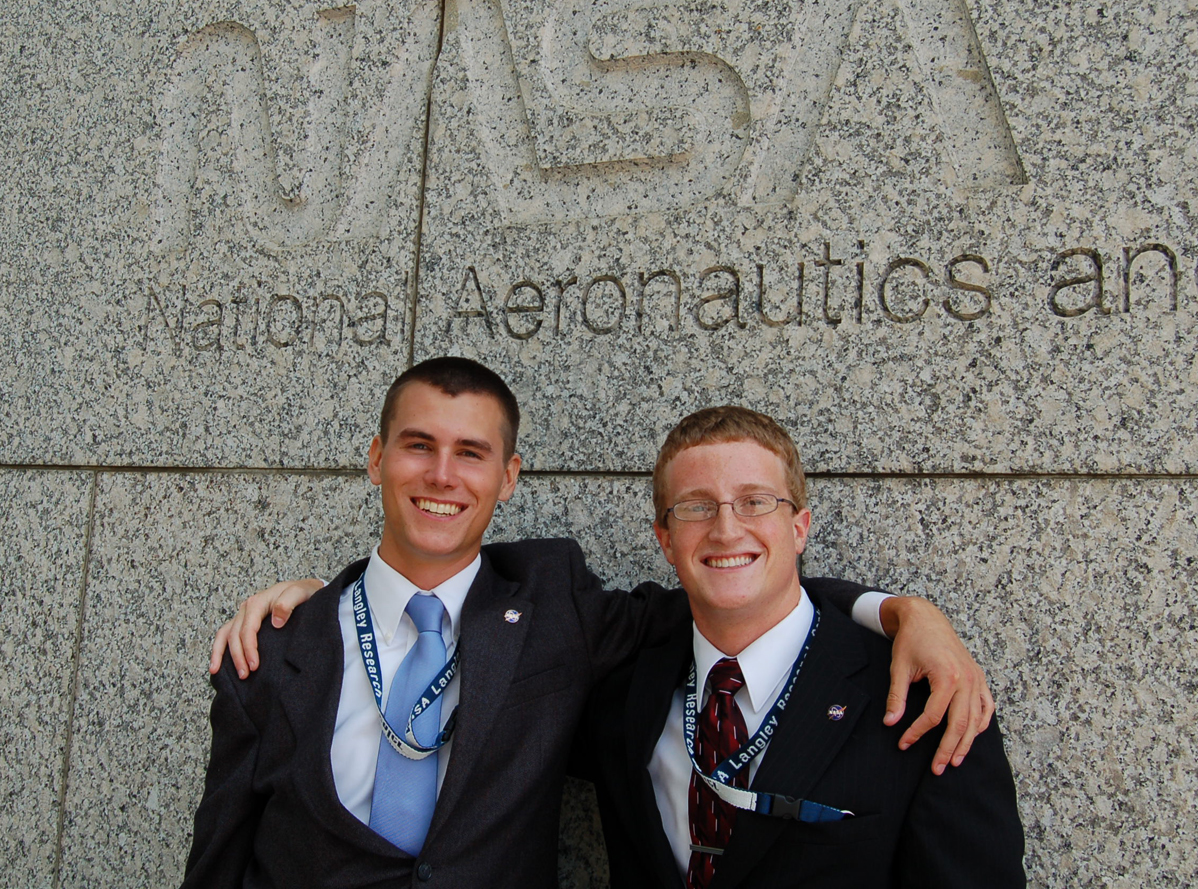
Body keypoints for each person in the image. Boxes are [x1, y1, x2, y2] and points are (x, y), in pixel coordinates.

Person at [182, 358, 994, 888]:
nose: (440, 474)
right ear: (375, 459)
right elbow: (219, 851)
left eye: (470, 453)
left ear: (509, 478)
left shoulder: (554, 606)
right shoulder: (276, 646)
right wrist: (321, 591)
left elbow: (734, 587)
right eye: (416, 446)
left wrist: (896, 610)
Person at [572, 406, 1024, 888]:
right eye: (697, 506)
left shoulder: (926, 700)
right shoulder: (621, 694)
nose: (726, 529)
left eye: (755, 502)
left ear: (799, 527)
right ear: (666, 539)